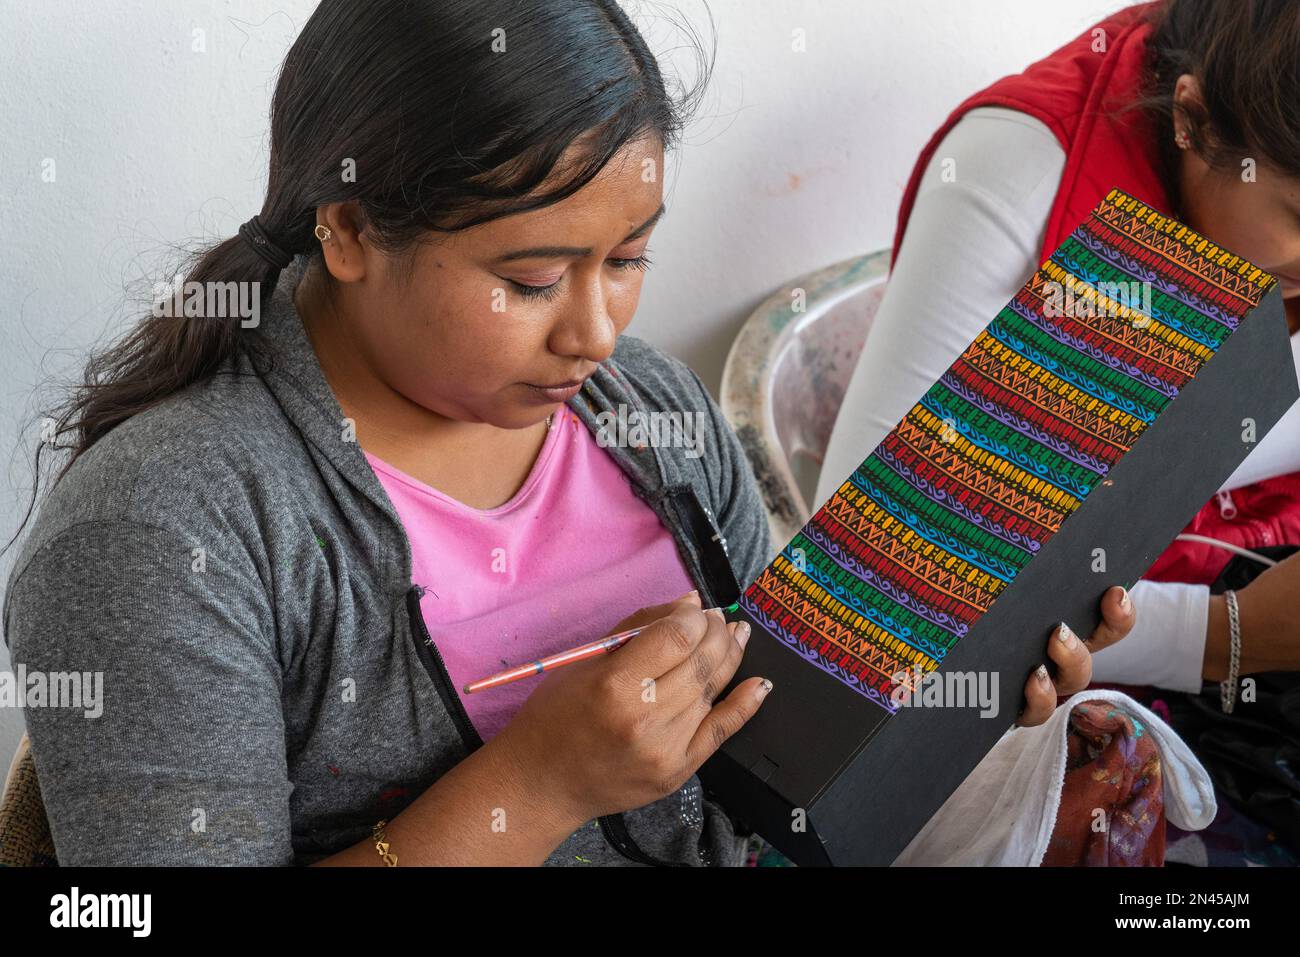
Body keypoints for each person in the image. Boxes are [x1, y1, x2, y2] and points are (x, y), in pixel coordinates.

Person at [2, 0, 1130, 867]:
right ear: (347, 230)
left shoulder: (647, 413)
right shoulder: (164, 533)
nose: (594, 331)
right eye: (531, 278)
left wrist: (960, 694)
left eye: (628, 260)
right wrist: (535, 787)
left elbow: (768, 752)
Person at [820, 0, 1300, 700]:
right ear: (1190, 120)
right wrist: (1228, 634)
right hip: (1100, 667)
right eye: (1298, 216)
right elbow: (869, 589)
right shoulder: (1022, 173)